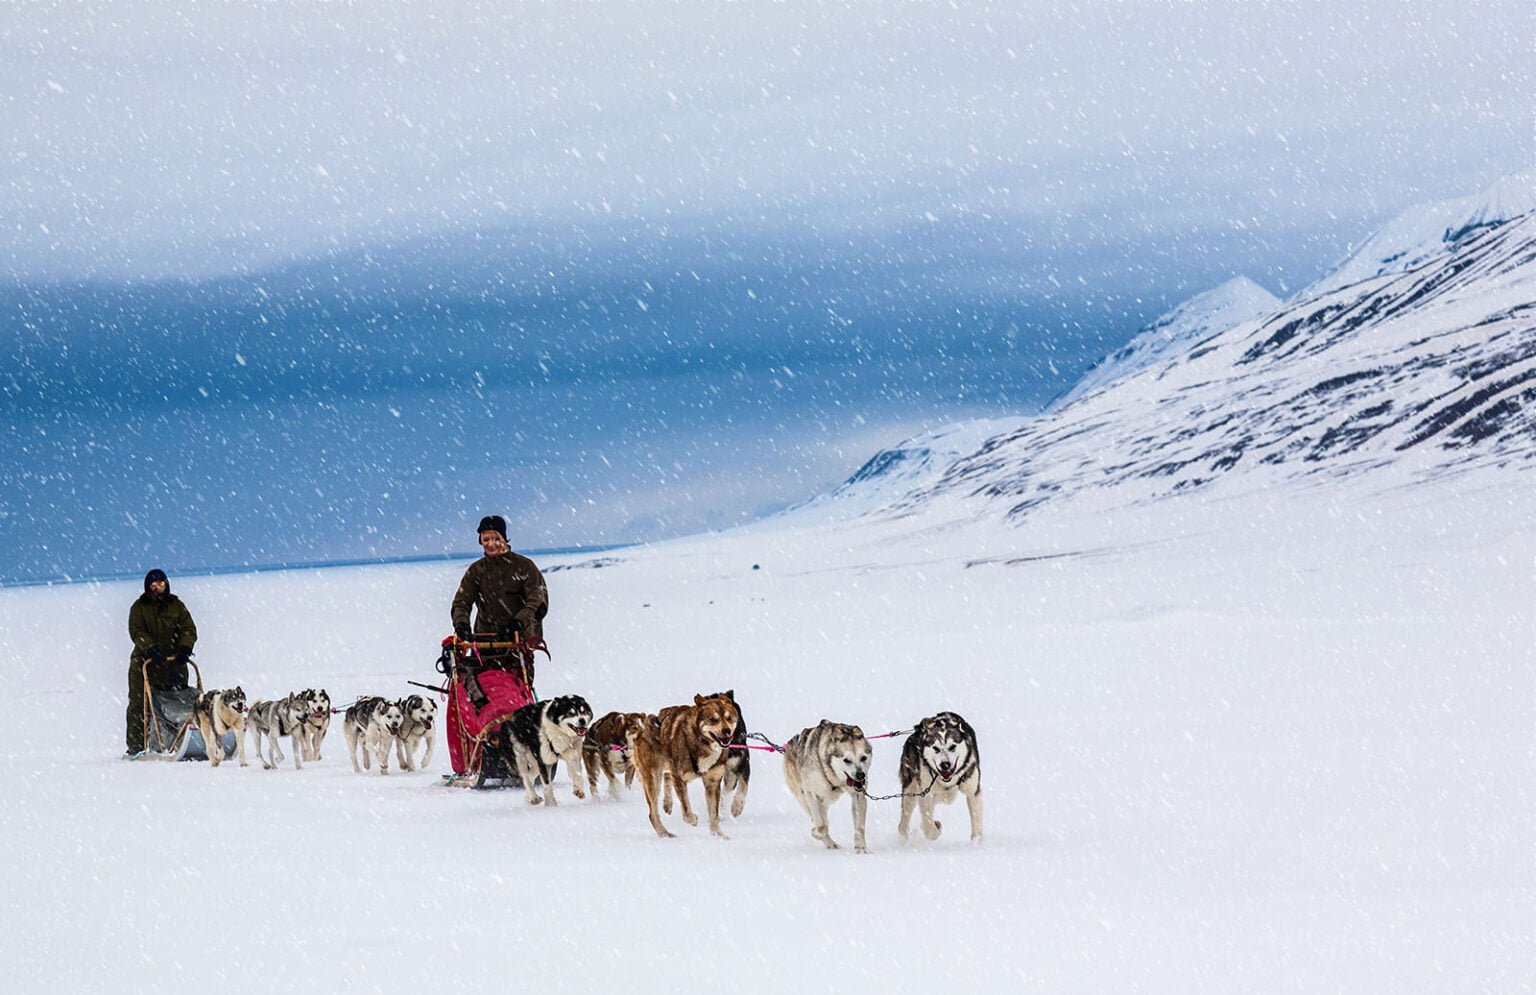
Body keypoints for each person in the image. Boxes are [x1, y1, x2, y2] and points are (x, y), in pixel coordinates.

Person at [451, 515, 548, 686]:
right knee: (483, 691)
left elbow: (537, 600)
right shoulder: (476, 570)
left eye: (497, 538)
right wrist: (461, 623)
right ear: (480, 541)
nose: (491, 543)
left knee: (517, 690)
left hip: (517, 642)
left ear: (505, 538)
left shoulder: (524, 566)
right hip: (484, 643)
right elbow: (461, 602)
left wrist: (519, 622)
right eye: (486, 539)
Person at [126, 568, 198, 755]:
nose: (157, 588)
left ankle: (179, 741)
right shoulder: (139, 608)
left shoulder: (176, 605)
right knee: (140, 704)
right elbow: (137, 632)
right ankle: (137, 747)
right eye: (154, 585)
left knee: (178, 701)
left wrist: (184, 648)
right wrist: (150, 649)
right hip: (146, 663)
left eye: (161, 585)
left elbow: (189, 629)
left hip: (174, 663)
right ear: (147, 587)